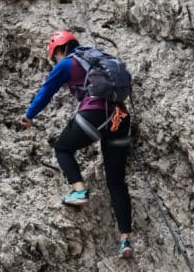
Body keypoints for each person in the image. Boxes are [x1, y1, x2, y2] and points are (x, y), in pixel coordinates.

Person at [17, 30, 134, 258]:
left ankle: (78, 191)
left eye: (55, 57)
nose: (55, 62)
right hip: (120, 118)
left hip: (95, 114)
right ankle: (125, 241)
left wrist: (29, 115)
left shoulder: (67, 64)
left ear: (60, 50)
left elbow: (46, 92)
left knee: (62, 148)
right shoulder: (99, 59)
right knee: (116, 182)